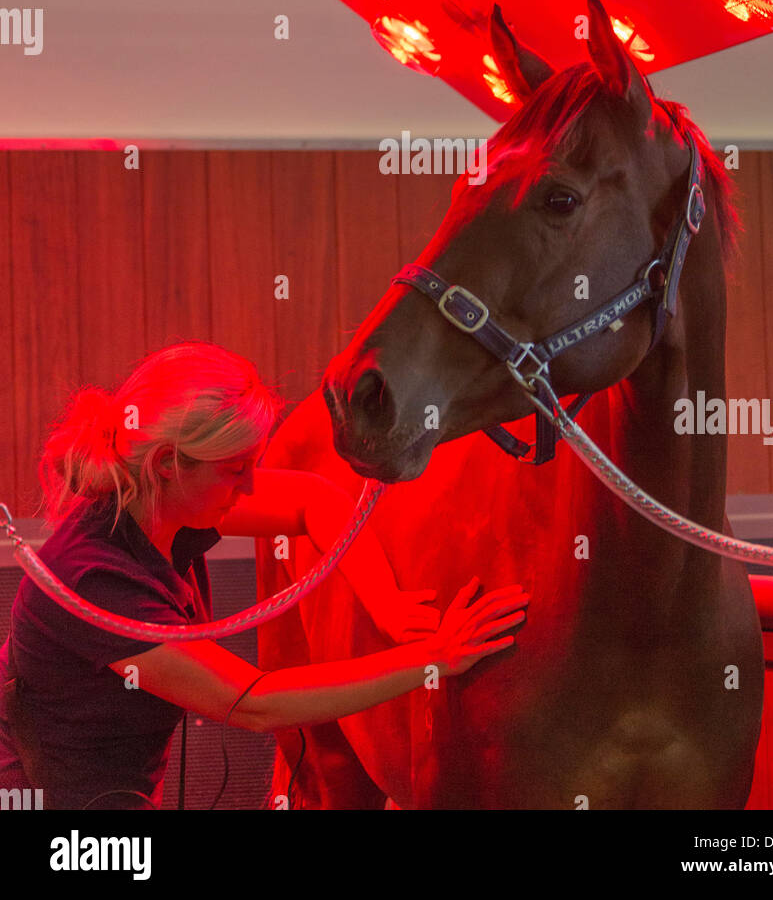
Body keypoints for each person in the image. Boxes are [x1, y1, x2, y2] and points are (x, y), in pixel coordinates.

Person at [0, 341, 529, 809]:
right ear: (168, 462)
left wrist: (386, 603)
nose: (251, 487)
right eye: (235, 470)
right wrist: (433, 659)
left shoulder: (160, 500)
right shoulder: (94, 579)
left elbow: (311, 500)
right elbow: (254, 702)